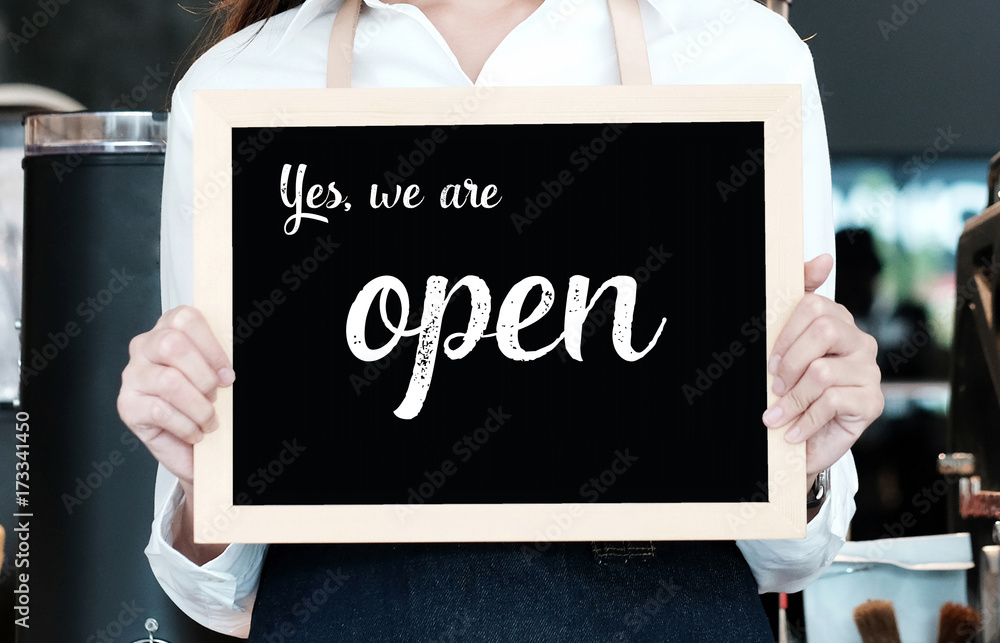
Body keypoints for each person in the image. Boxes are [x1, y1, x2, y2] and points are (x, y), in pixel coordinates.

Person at [117, 0, 884, 639]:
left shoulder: (744, 59)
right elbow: (215, 585)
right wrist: (199, 465)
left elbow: (790, 554)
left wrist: (806, 448)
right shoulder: (239, 88)